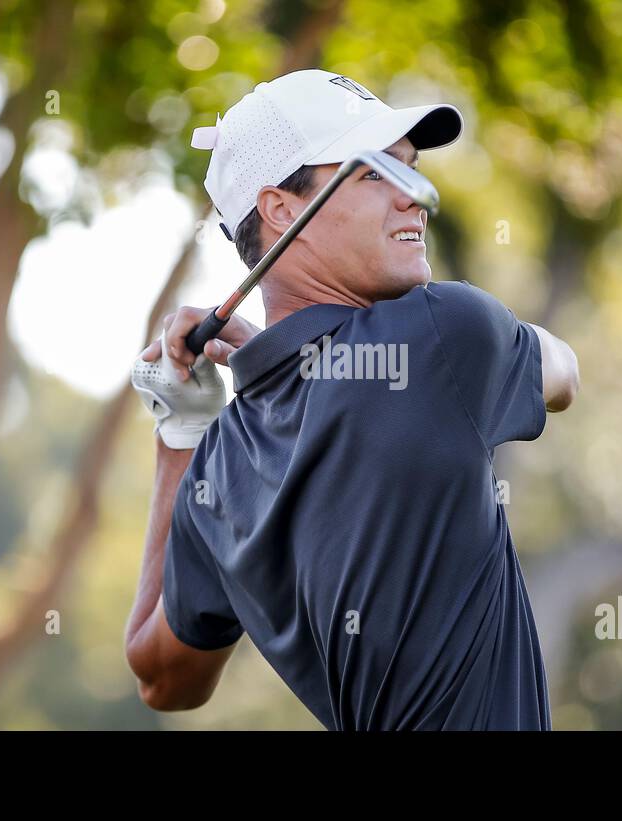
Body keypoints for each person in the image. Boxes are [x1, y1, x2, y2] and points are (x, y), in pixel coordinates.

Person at [123, 69, 579, 730]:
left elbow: (164, 679)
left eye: (410, 169)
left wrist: (181, 436)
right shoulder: (439, 333)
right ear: (281, 210)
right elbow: (565, 375)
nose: (414, 198)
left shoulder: (220, 468)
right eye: (373, 173)